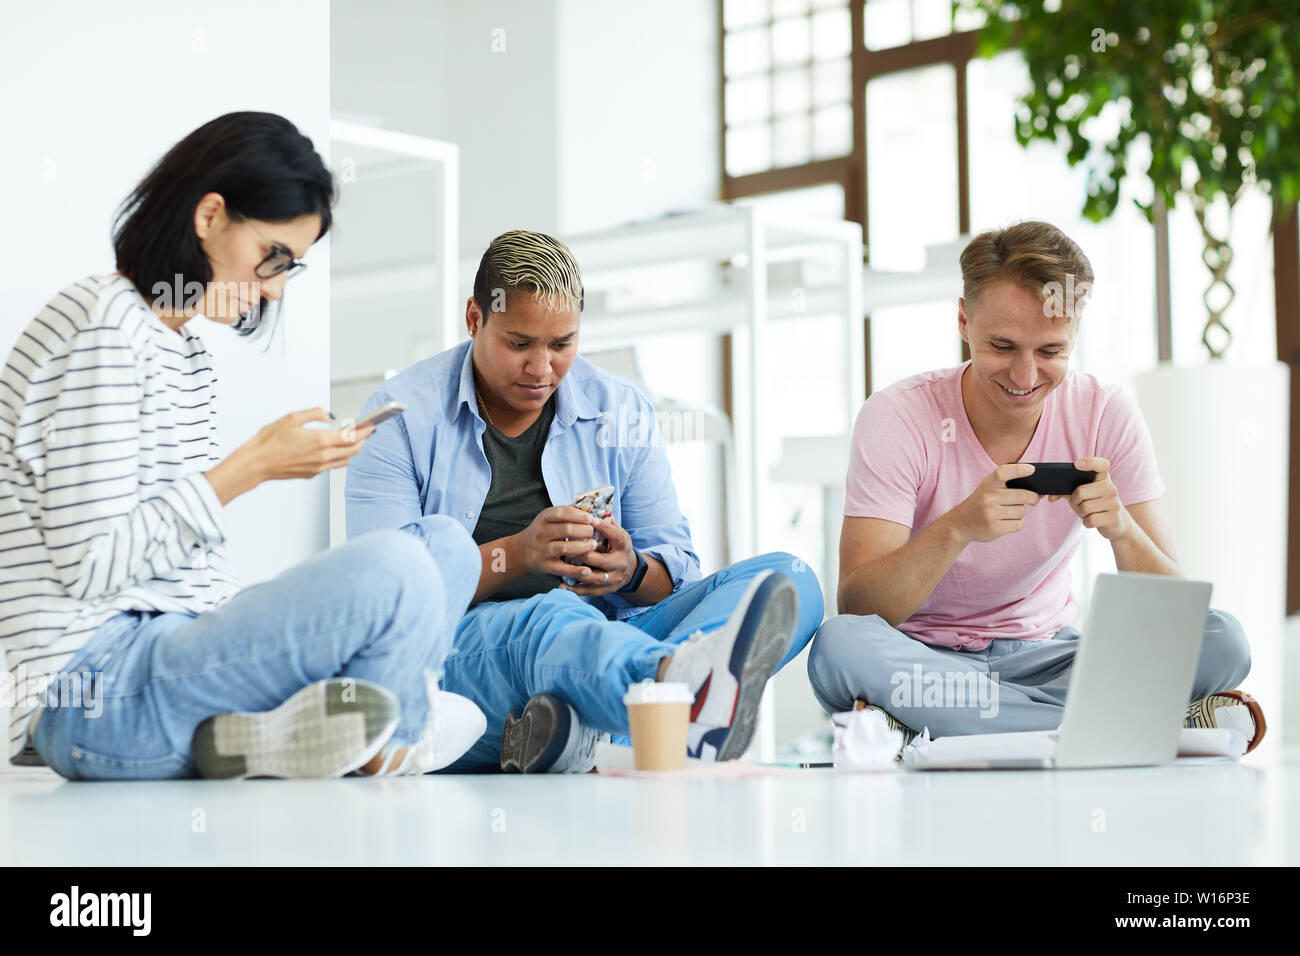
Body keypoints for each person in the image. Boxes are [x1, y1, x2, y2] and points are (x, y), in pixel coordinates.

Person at [1, 112, 486, 780]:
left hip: (174, 654)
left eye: (293, 267)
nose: (277, 287)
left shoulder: (186, 350)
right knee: (398, 572)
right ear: (209, 216)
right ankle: (398, 727)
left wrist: (253, 625)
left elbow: (183, 572)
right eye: (273, 256)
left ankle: (288, 734)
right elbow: (91, 566)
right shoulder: (103, 326)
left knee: (444, 546)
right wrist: (252, 466)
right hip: (96, 690)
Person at [346, 229, 825, 771]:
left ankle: (589, 732)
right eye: (519, 344)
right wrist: (518, 555)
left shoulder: (619, 410)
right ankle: (666, 701)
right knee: (549, 617)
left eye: (561, 344)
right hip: (462, 658)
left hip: (602, 642)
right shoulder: (398, 417)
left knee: (788, 578)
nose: (541, 368)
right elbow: (382, 599)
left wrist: (631, 570)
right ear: (474, 317)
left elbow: (676, 577)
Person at [807, 221, 1266, 754]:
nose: (1024, 377)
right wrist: (957, 528)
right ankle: (1114, 724)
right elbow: (860, 606)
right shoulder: (897, 417)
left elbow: (1178, 609)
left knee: (1222, 640)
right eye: (1003, 346)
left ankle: (928, 727)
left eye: (1051, 351)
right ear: (963, 320)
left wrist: (1120, 530)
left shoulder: (1105, 412)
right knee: (839, 648)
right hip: (925, 659)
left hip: (1050, 659)